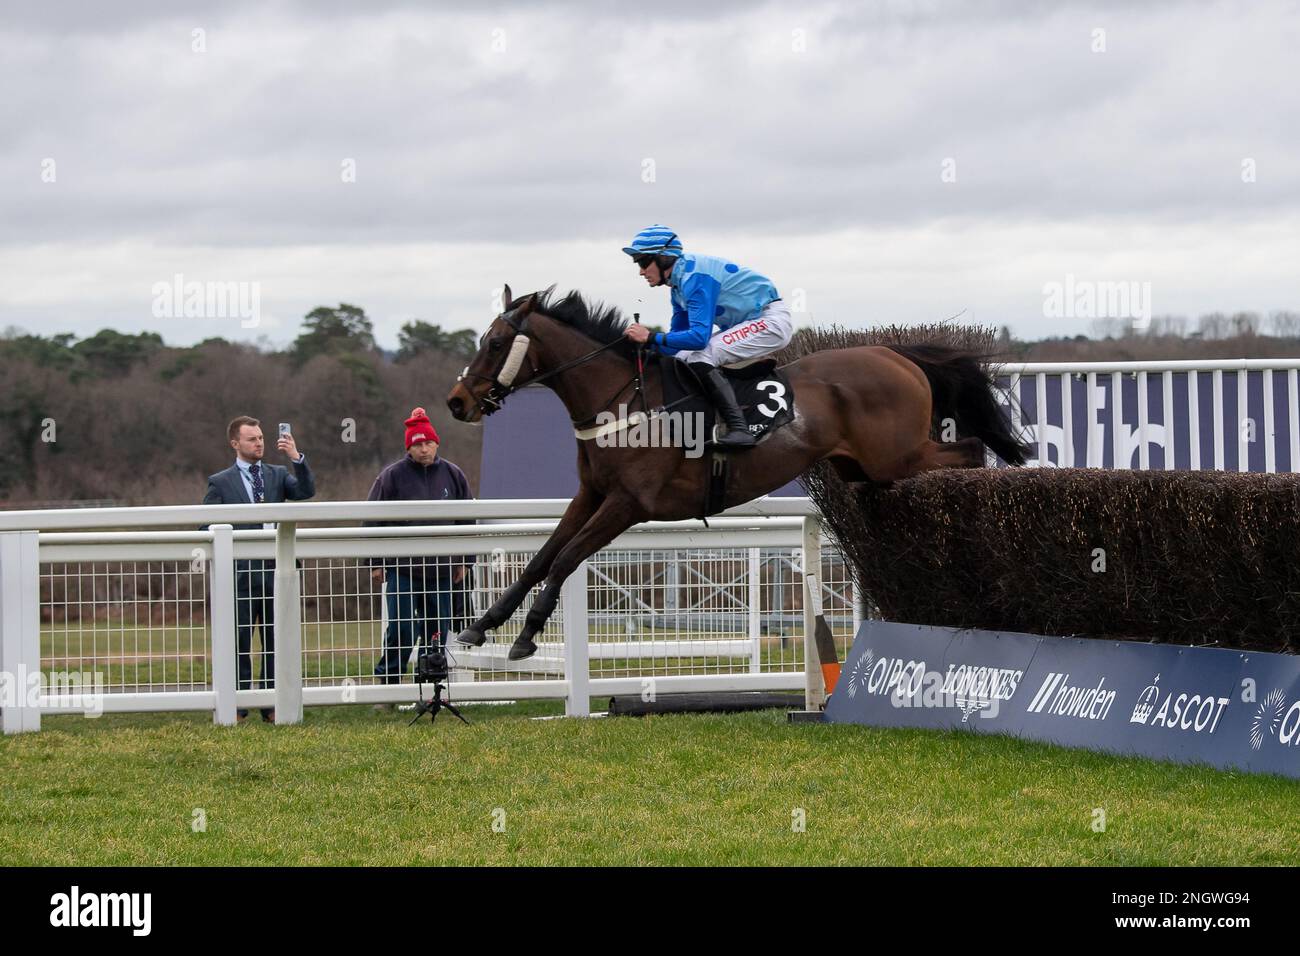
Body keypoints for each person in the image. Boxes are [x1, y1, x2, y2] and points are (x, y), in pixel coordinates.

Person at [621, 224, 794, 448]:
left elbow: (698, 339)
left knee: (702, 355)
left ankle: (739, 429)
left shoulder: (695, 278)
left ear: (664, 258)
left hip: (771, 321)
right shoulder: (678, 287)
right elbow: (677, 344)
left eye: (643, 262)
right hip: (750, 322)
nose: (641, 271)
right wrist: (647, 346)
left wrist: (651, 337)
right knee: (684, 357)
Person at [203, 416, 316, 722]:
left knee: (276, 641)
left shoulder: (278, 474)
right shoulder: (220, 482)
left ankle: (271, 704)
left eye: (261, 438)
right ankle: (237, 706)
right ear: (235, 443)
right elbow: (205, 526)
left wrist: (296, 458)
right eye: (252, 439)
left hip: (277, 572)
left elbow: (306, 492)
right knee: (238, 641)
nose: (259, 443)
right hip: (239, 576)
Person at [366, 407, 473, 702]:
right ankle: (388, 687)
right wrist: (374, 563)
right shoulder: (391, 477)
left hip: (442, 569)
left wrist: (466, 559)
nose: (423, 449)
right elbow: (371, 519)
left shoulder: (454, 474)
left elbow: (468, 519)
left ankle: (430, 689)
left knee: (437, 631)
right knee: (401, 629)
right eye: (417, 444)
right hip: (402, 568)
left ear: (436, 443)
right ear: (409, 447)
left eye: (428, 443)